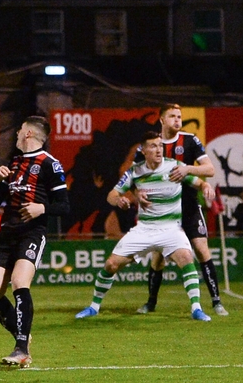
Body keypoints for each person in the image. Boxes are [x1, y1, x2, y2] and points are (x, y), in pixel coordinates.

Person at [76, 132, 211, 322]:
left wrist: (205, 187)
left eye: (160, 145)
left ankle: (196, 308)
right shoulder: (135, 172)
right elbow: (111, 195)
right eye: (153, 146)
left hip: (171, 228)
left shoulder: (175, 167)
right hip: (145, 229)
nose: (159, 150)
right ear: (144, 150)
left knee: (186, 258)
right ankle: (93, 307)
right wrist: (120, 200)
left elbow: (199, 183)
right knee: (111, 264)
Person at [0, 116, 68, 368]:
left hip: (31, 233)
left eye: (20, 129)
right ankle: (23, 336)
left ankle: (21, 349)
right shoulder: (14, 163)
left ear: (28, 133)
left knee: (20, 282)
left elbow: (64, 206)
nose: (17, 134)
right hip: (6, 233)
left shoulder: (50, 164)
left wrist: (42, 208)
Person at [133, 104, 225, 316]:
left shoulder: (190, 140)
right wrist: (138, 192)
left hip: (189, 205)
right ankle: (151, 302)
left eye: (179, 116)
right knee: (158, 257)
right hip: (163, 209)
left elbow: (210, 169)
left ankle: (216, 301)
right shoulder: (150, 145)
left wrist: (187, 169)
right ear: (162, 120)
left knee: (201, 249)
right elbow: (133, 175)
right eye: (172, 116)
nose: (177, 120)